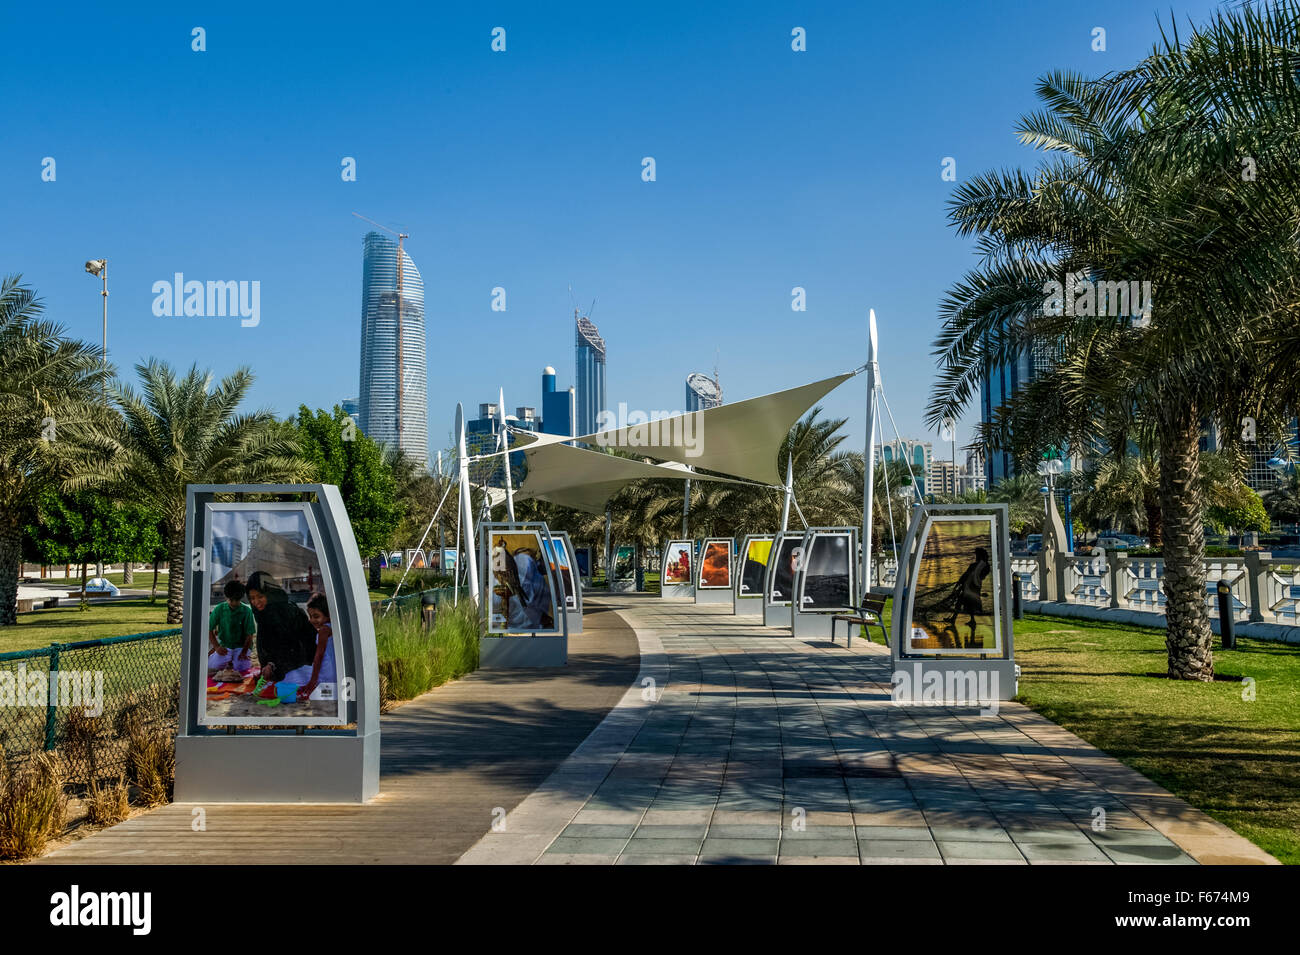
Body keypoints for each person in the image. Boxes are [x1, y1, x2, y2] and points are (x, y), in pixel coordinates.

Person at [245, 571, 315, 684]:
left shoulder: (287, 613)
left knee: (285, 683)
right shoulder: (263, 613)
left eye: (260, 596)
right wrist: (267, 666)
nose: (256, 602)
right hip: (281, 665)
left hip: (301, 664)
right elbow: (268, 644)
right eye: (252, 598)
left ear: (271, 594)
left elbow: (297, 648)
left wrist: (273, 665)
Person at [289, 592, 337, 701]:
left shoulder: (324, 631)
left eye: (316, 616)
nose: (311, 620)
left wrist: (312, 681)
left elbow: (319, 656)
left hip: (326, 674)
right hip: (334, 673)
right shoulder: (333, 627)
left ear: (328, 614)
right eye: (310, 616)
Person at [208, 580, 256, 674]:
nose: (234, 603)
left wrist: (244, 652)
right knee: (213, 666)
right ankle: (228, 661)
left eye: (237, 600)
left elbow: (249, 635)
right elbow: (210, 629)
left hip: (242, 646)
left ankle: (233, 661)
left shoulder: (247, 611)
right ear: (227, 597)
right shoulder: (219, 609)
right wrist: (217, 647)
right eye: (231, 600)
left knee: (241, 668)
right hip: (225, 646)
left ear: (241, 598)